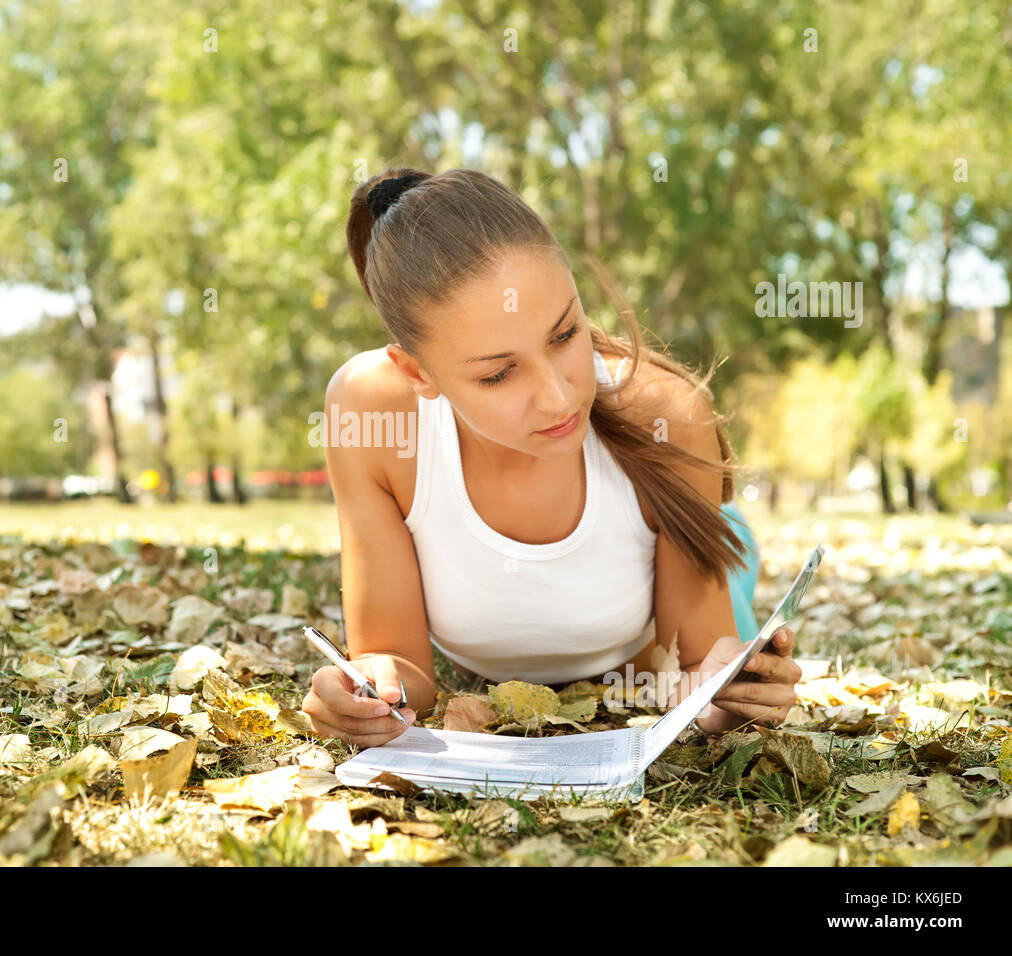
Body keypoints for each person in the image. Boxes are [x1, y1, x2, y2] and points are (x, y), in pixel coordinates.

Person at [302, 168, 801, 748]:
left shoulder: (668, 416)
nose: (562, 397)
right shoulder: (373, 415)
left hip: (679, 551)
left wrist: (726, 698)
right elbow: (402, 669)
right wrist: (372, 694)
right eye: (498, 373)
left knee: (733, 562)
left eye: (565, 335)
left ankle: (734, 533)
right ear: (417, 373)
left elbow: (695, 678)